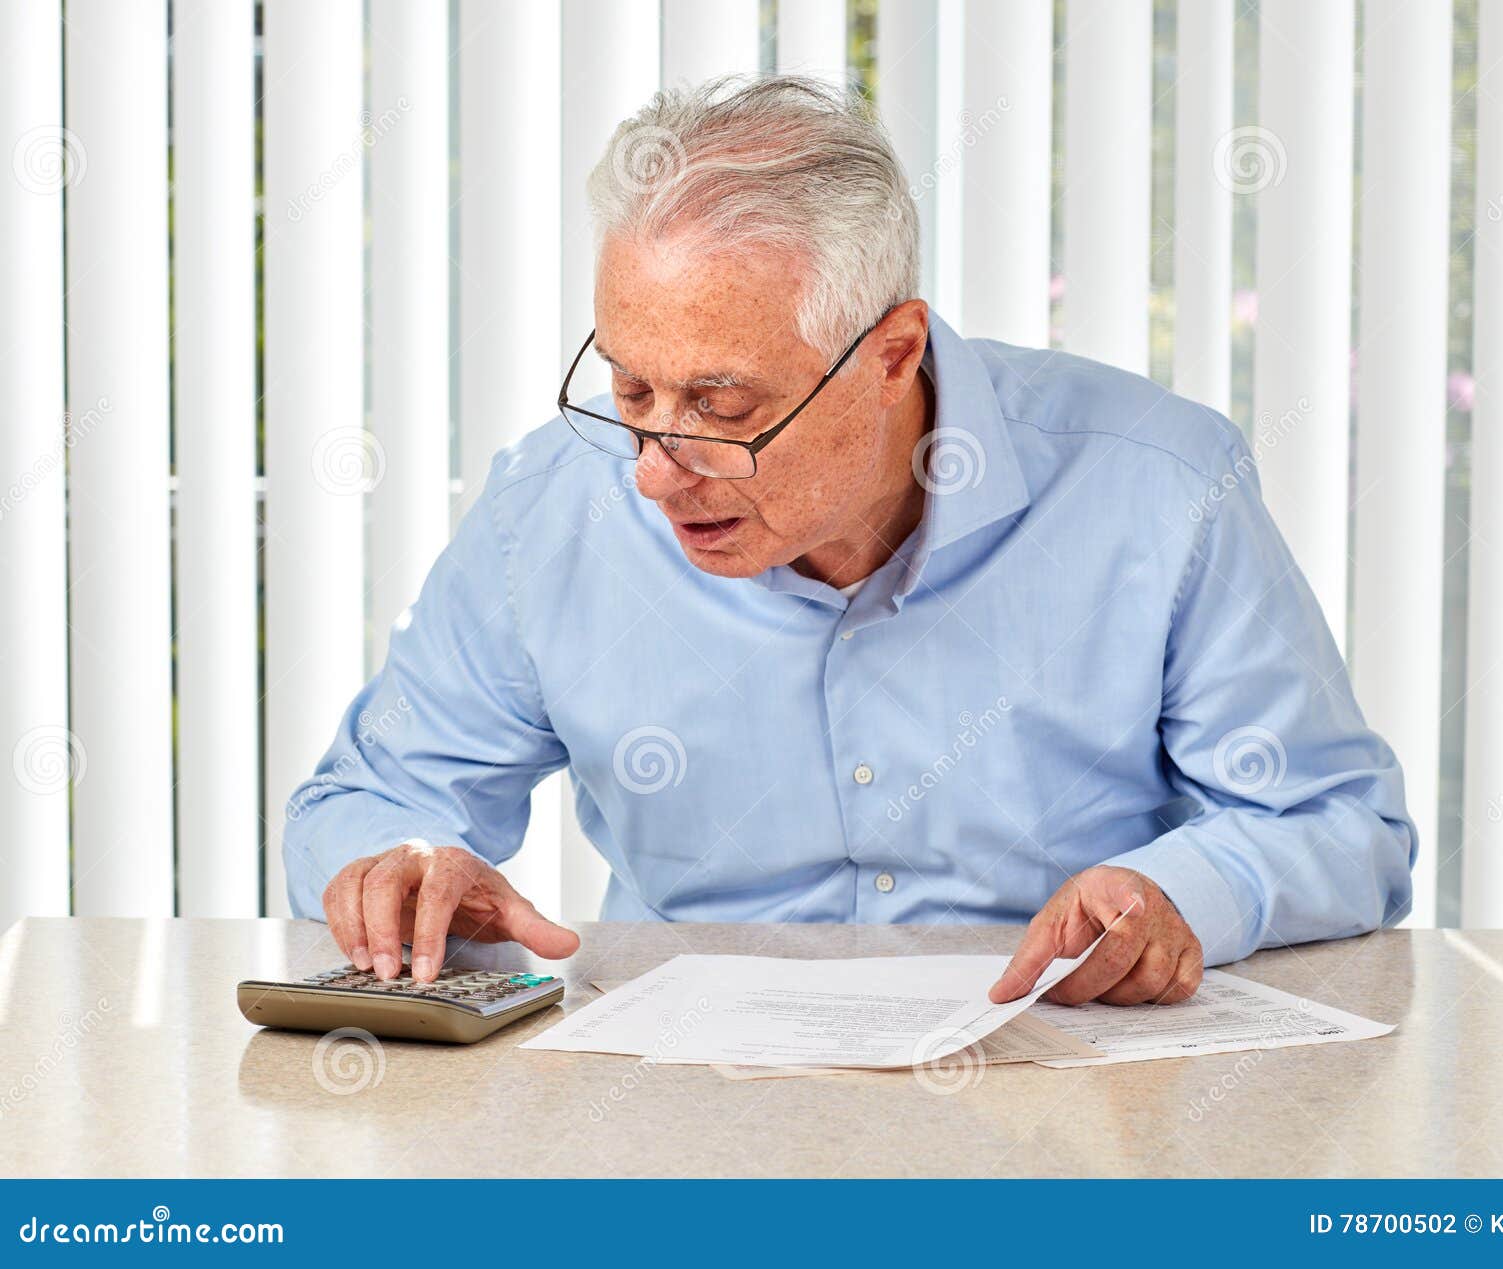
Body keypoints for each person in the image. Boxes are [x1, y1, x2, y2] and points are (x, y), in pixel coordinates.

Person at [284, 75, 1414, 1008]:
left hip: (1058, 1105)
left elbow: (1337, 823)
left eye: (723, 407)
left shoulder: (1157, 487)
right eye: (630, 388)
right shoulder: (550, 508)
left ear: (888, 355)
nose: (652, 469)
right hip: (684, 1115)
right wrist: (398, 867)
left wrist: (1180, 890)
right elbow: (371, 795)